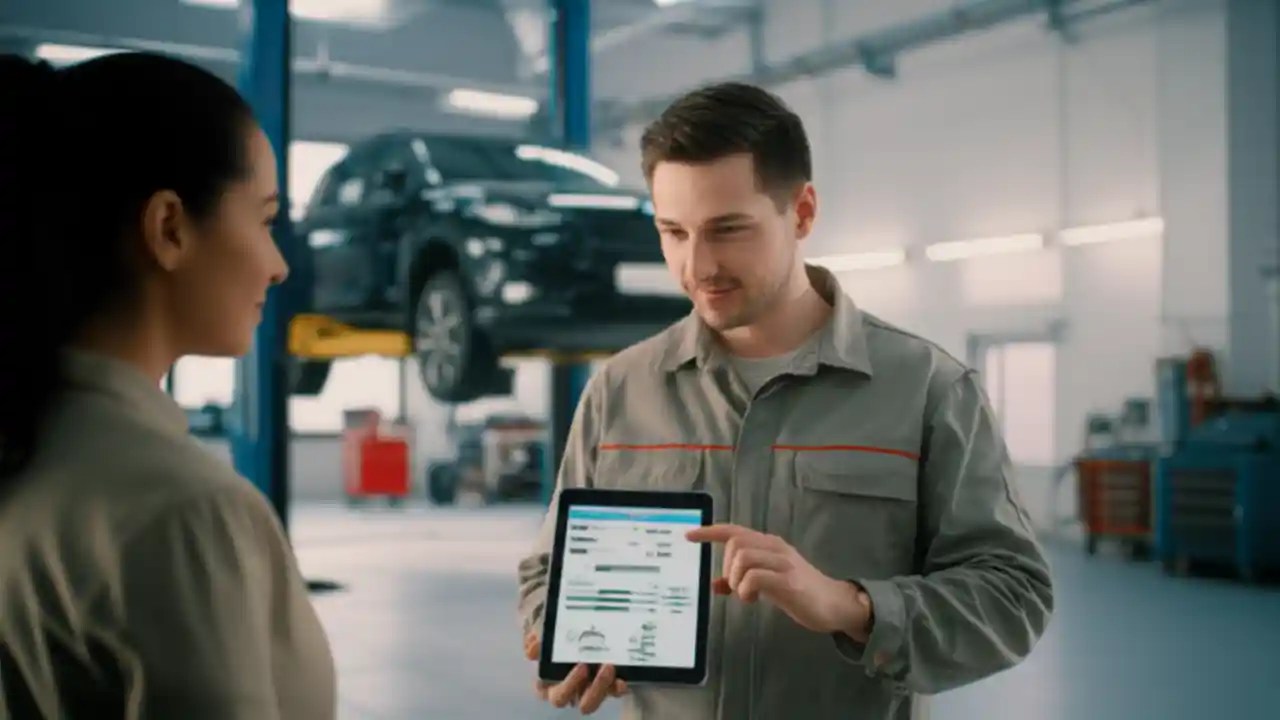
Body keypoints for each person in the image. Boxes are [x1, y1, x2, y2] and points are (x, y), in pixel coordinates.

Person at [516, 82, 1054, 719]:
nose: (698, 265)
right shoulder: (621, 389)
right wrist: (565, 638)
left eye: (728, 230)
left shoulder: (927, 389)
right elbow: (551, 570)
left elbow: (1012, 597)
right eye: (673, 232)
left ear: (801, 213)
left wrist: (850, 606)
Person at [0, 52, 335, 719]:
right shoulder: (184, 512)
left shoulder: (25, 444)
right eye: (266, 221)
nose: (276, 266)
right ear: (169, 228)